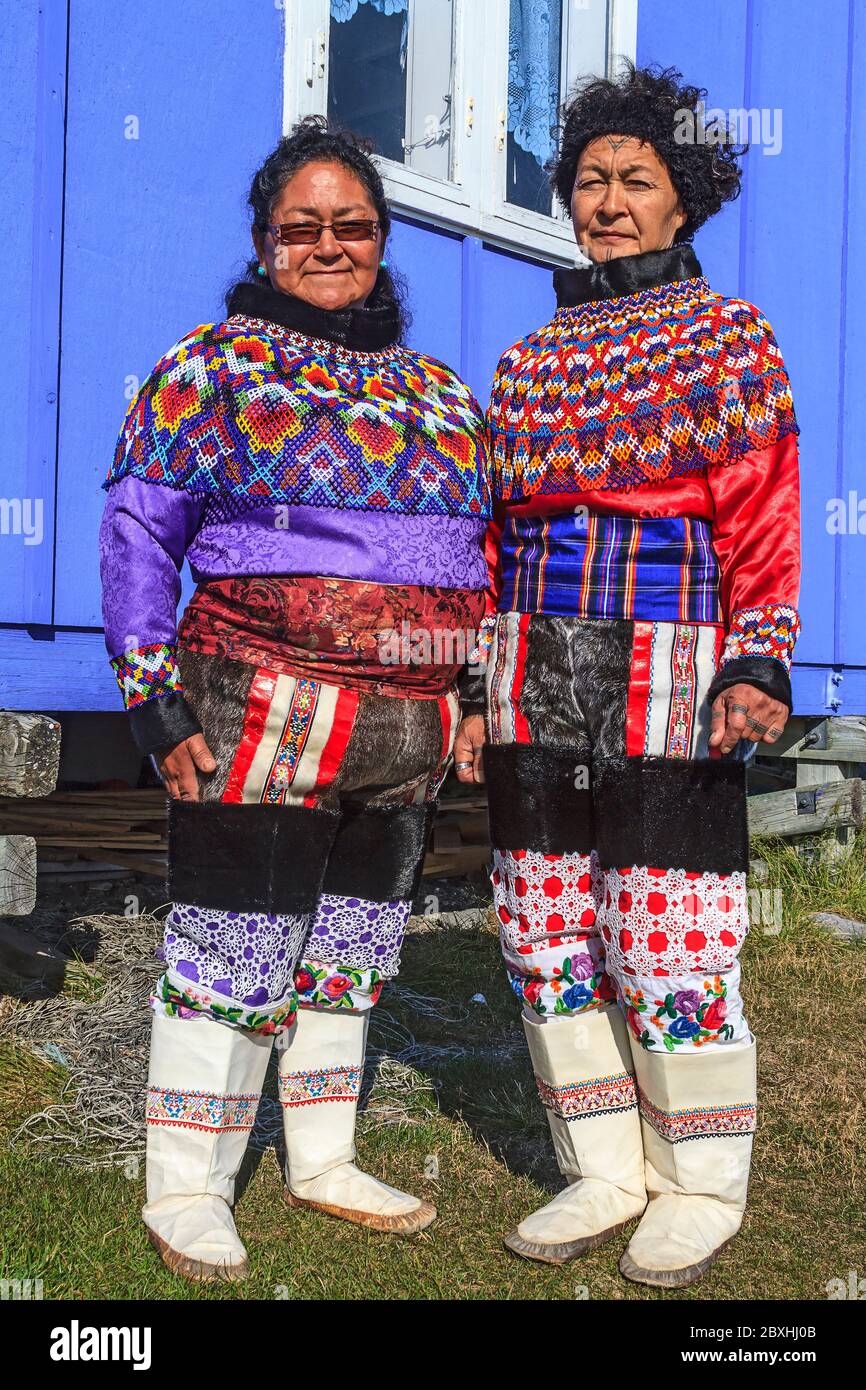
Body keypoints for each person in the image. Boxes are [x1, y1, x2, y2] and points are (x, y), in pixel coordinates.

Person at [100, 117, 491, 1282]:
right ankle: (189, 1185)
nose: (329, 244)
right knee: (235, 946)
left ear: (382, 235)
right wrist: (150, 697)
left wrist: (467, 695)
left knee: (351, 953)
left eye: (352, 225)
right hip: (256, 710)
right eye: (301, 227)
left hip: (404, 735)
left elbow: (477, 558)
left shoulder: (439, 393)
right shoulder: (205, 368)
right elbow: (136, 530)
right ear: (265, 240)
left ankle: (321, 1156)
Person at [453, 63, 800, 1287]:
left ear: (682, 201)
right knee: (544, 924)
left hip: (670, 664)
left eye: (634, 181)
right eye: (590, 179)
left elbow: (758, 511)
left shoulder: (729, 337)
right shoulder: (525, 360)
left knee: (666, 929)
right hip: (529, 665)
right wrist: (467, 685)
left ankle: (697, 1180)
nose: (607, 200)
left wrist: (760, 657)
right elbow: (493, 534)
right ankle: (598, 1163)